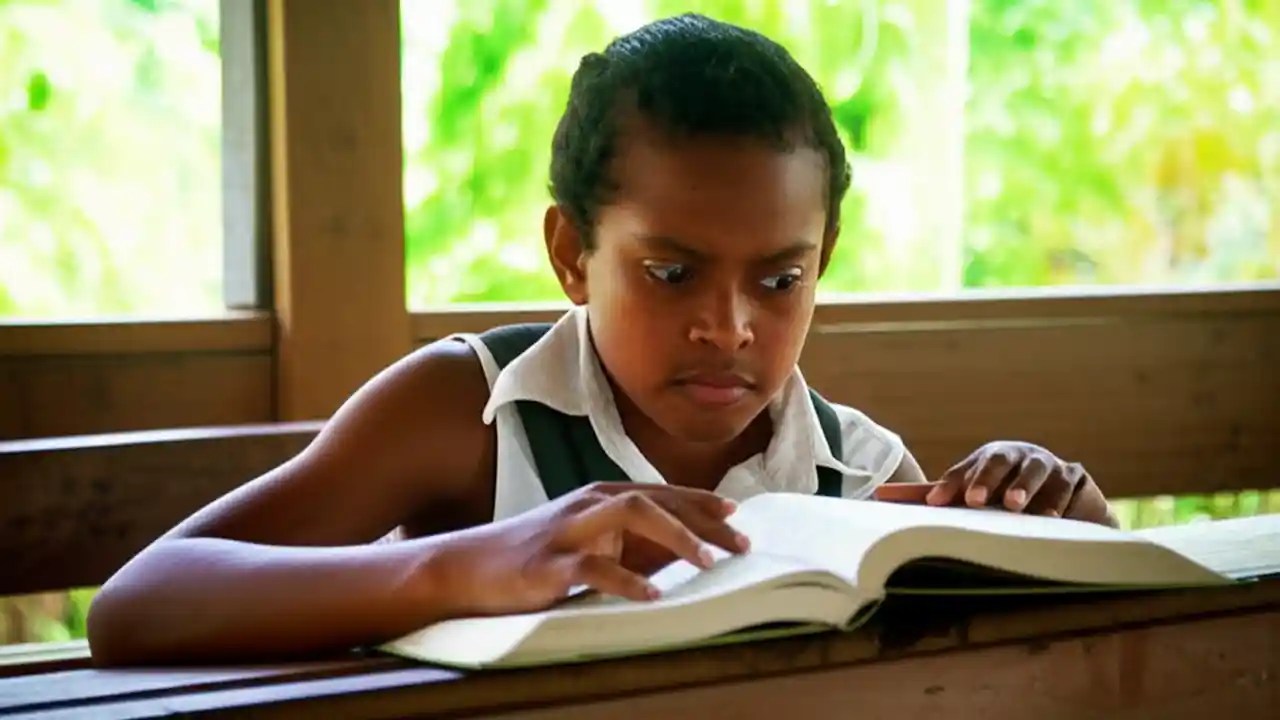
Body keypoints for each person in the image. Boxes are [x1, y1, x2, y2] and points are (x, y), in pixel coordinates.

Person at [86, 13, 1115, 667]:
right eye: (669, 273)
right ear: (572, 253)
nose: (727, 324)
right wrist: (468, 564)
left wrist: (1066, 532)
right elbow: (138, 604)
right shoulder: (470, 414)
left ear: (823, 258)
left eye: (780, 277)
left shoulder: (864, 476)